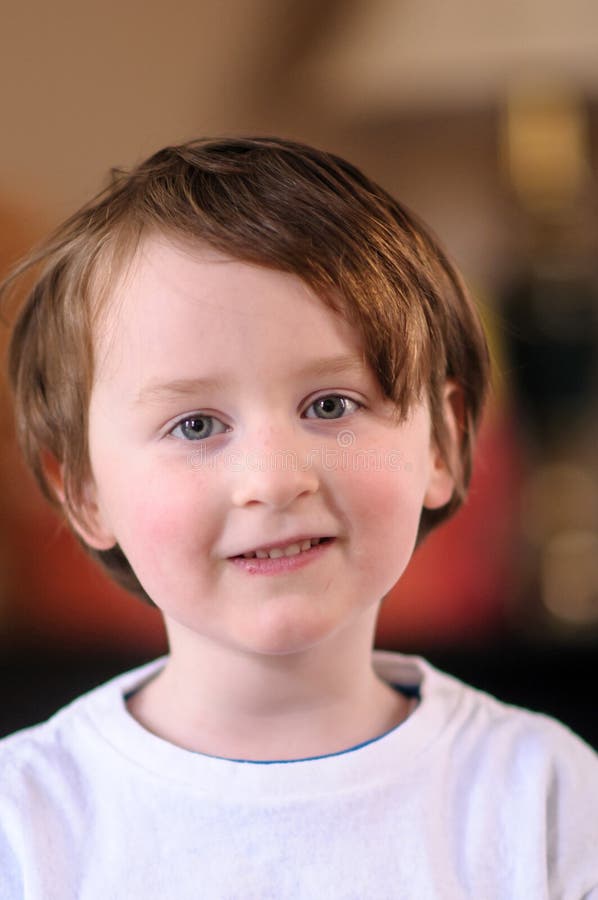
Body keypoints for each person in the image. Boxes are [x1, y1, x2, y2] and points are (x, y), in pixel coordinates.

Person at [0, 137, 596, 899]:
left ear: (443, 443)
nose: (274, 481)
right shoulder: (27, 824)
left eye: (331, 405)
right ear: (84, 491)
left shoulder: (545, 798)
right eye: (195, 426)